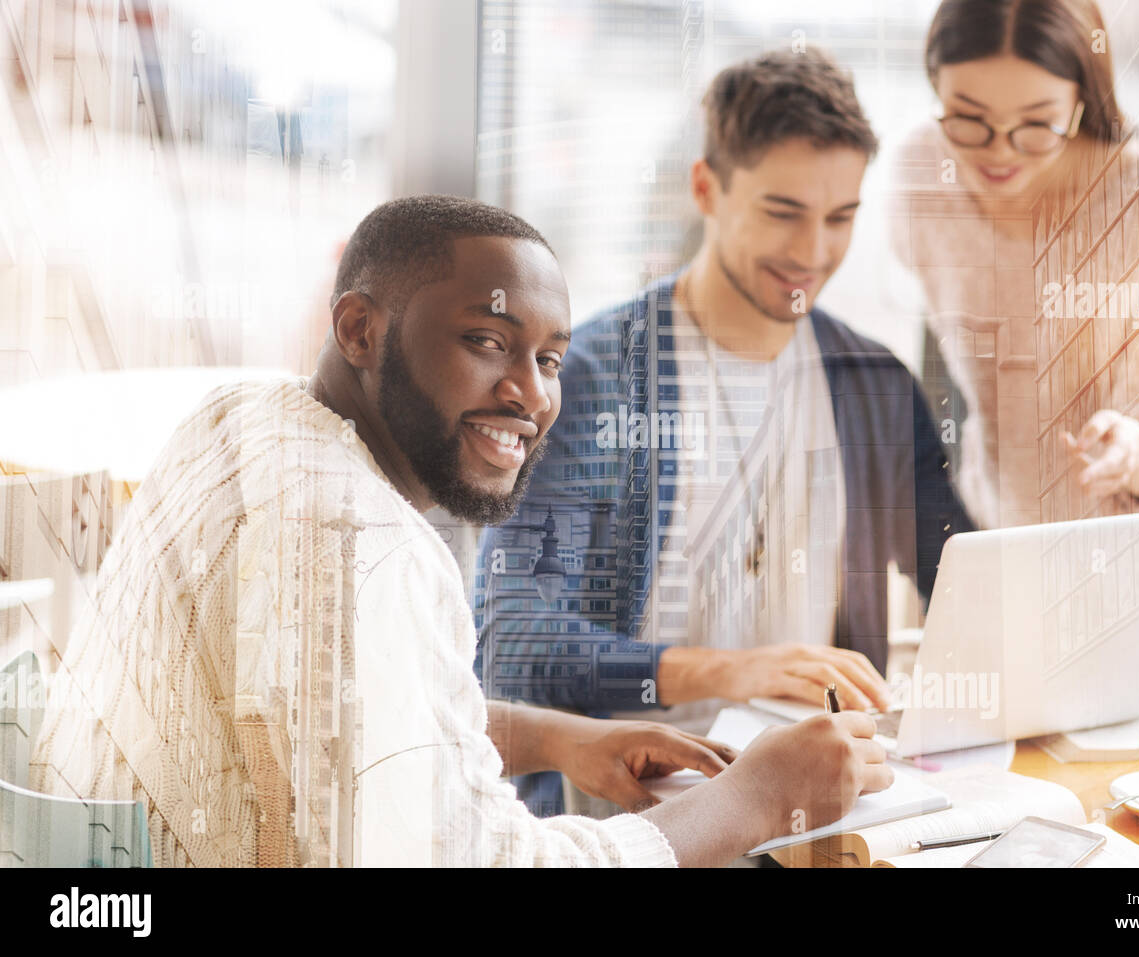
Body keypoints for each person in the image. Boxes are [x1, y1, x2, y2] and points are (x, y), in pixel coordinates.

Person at [26, 195, 893, 867]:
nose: (532, 395)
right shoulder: (363, 541)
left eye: (548, 359)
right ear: (359, 329)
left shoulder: (241, 421)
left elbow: (336, 725)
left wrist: (554, 737)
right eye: (486, 340)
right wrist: (756, 796)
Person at [476, 48, 972, 813]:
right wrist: (733, 670)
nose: (813, 251)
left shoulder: (874, 385)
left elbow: (964, 583)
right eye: (783, 212)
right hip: (627, 822)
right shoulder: (594, 377)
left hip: (822, 814)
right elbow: (511, 640)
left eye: (840, 217)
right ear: (706, 188)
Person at [879, 0, 1139, 660]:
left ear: (1083, 100)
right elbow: (948, 361)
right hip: (1016, 550)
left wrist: (1135, 453)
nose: (999, 152)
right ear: (935, 85)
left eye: (1036, 125)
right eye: (968, 119)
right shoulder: (921, 179)